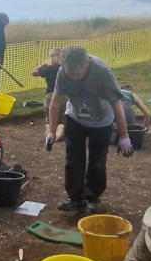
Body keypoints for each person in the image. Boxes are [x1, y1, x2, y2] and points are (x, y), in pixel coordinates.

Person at [45, 45, 134, 214]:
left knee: (97, 161)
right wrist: (51, 130)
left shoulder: (102, 72)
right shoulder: (63, 72)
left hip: (101, 121)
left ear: (86, 63)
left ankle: (93, 197)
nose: (73, 78)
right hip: (75, 117)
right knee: (73, 160)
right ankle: (76, 199)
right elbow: (55, 101)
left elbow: (116, 104)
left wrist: (124, 135)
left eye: (77, 74)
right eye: (70, 74)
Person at [32, 47, 66, 142]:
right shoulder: (65, 68)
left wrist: (43, 65)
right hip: (64, 95)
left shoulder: (48, 69)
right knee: (62, 119)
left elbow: (34, 73)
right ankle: (61, 127)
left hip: (50, 96)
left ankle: (50, 130)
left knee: (50, 120)